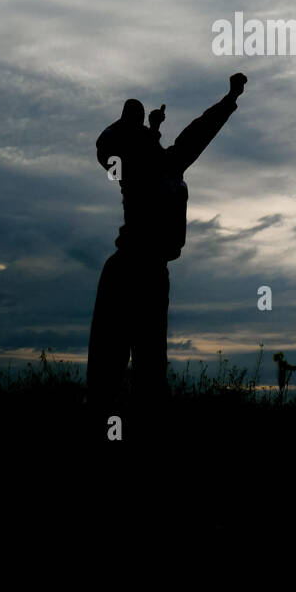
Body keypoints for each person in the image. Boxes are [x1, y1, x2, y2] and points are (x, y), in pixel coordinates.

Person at [86, 73, 247, 420]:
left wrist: (229, 98)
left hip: (144, 270)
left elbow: (198, 133)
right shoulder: (137, 167)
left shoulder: (158, 165)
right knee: (112, 369)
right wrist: (141, 125)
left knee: (146, 369)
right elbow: (110, 148)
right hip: (134, 268)